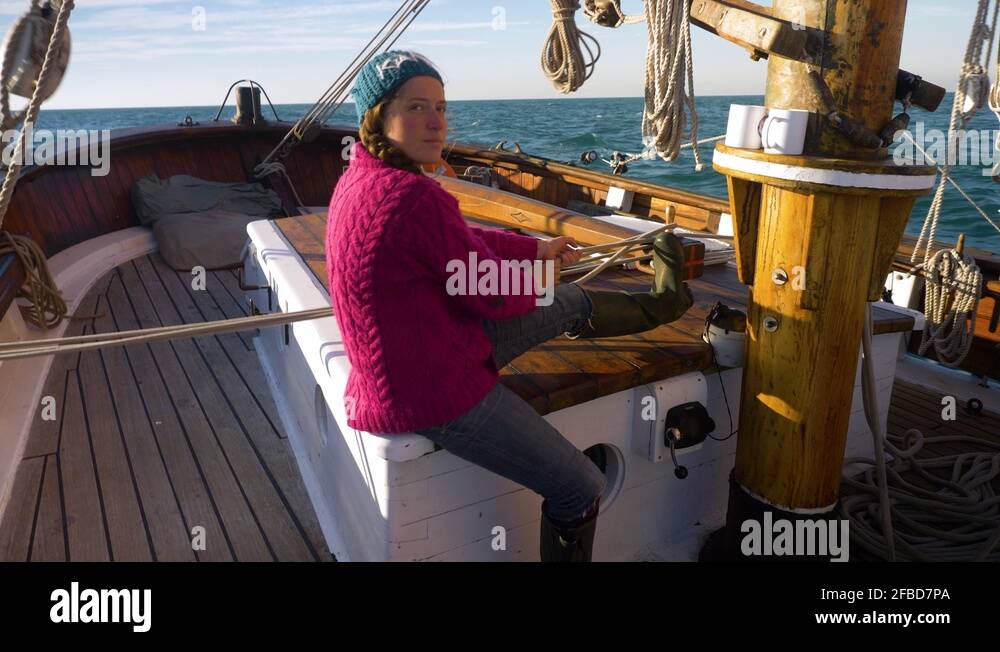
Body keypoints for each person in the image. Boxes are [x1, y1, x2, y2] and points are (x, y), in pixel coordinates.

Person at [325, 50, 694, 562]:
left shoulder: (360, 181)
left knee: (566, 300)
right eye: (415, 107)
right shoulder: (414, 197)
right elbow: (493, 296)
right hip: (431, 392)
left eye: (441, 107)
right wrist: (542, 274)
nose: (436, 121)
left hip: (414, 359)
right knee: (580, 487)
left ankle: (658, 306)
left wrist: (536, 251)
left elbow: (460, 244)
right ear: (378, 119)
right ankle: (666, 302)